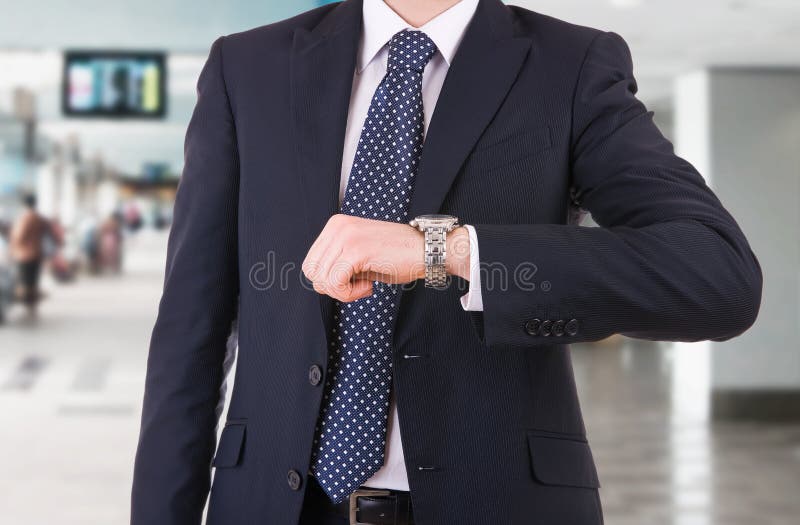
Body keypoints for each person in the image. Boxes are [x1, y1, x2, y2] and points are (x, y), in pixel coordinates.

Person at [131, 1, 763, 524]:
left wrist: (448, 251)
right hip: (273, 505)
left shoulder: (570, 66)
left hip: (499, 504)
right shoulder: (248, 68)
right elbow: (193, 329)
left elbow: (717, 274)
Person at [9, 194, 55, 318]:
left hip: (24, 254)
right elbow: (50, 233)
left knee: (25, 281)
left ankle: (28, 306)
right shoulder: (40, 218)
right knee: (33, 282)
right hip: (37, 253)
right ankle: (32, 307)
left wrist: (12, 250)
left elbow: (19, 236)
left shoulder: (24, 218)